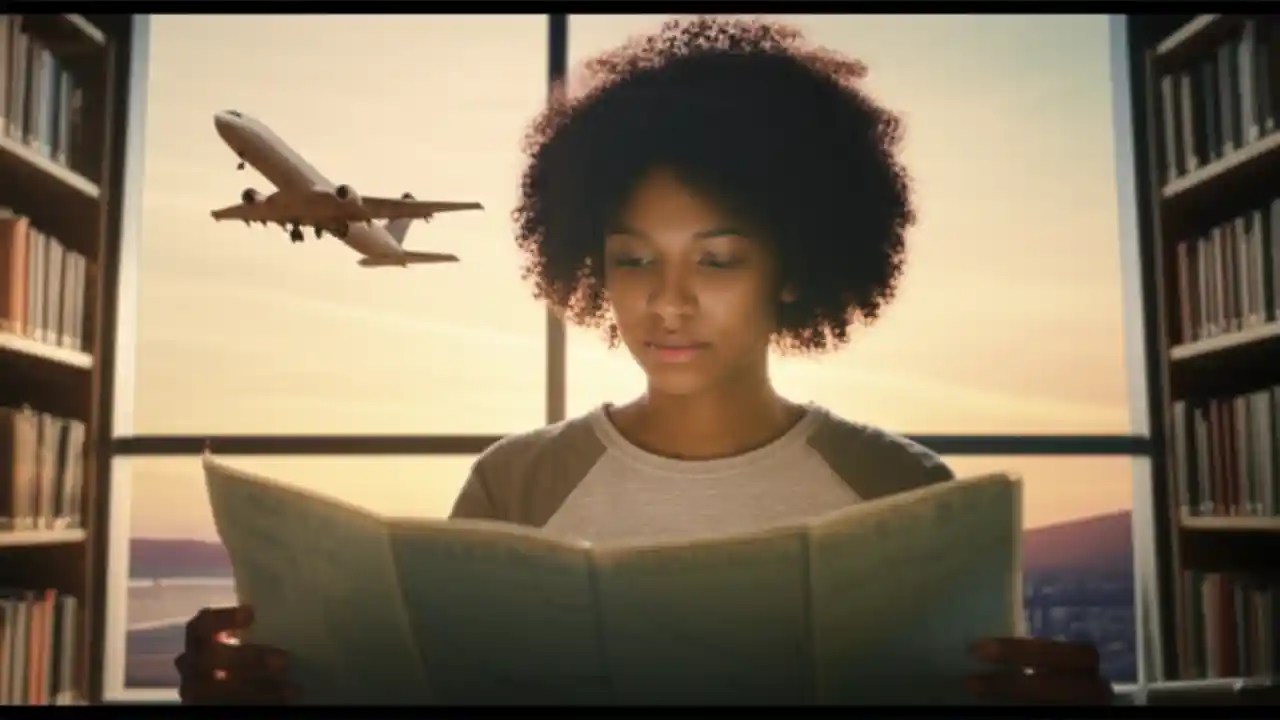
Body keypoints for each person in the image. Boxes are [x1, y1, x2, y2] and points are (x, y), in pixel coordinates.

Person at [176, 16, 1115, 705]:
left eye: (716, 259)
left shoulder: (905, 487)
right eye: (632, 259)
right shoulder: (514, 485)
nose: (666, 301)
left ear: (795, 270)